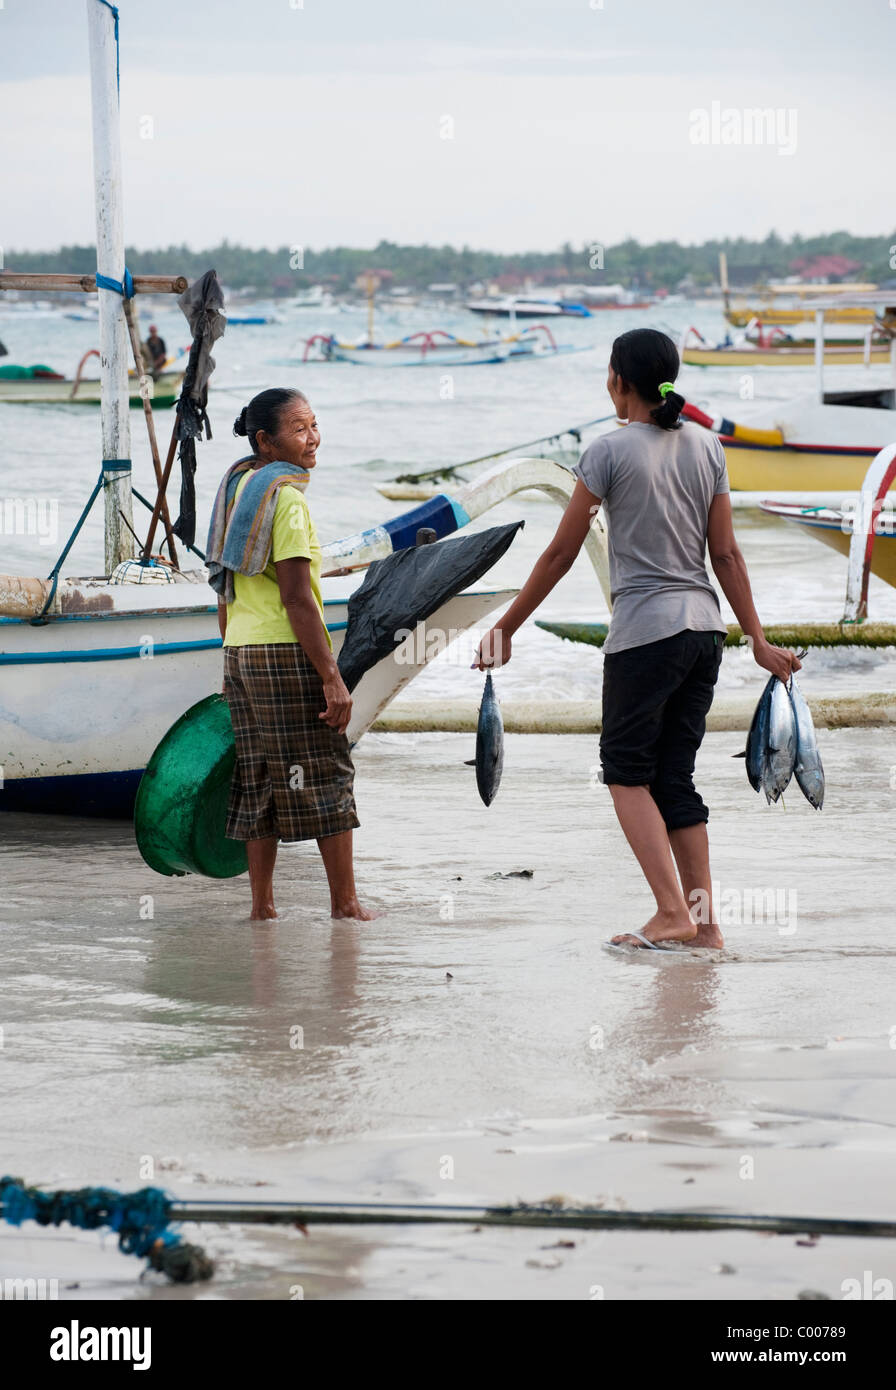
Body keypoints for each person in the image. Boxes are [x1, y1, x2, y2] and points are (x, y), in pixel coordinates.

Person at [474, 328, 800, 950]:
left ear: (621, 383)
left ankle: (671, 913)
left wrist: (506, 626)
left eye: (608, 374)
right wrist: (756, 639)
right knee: (675, 777)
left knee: (625, 773)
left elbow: (561, 553)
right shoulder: (708, 447)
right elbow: (725, 554)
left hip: (646, 637)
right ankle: (704, 926)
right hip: (704, 633)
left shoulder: (608, 451)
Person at [206, 387, 375, 922]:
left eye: (315, 424)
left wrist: (228, 657)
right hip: (284, 655)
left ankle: (263, 907)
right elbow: (298, 598)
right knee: (325, 771)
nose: (313, 438)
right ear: (265, 440)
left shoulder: (236, 490)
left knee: (256, 777)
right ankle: (345, 906)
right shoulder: (287, 499)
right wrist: (332, 675)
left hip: (242, 655)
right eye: (299, 429)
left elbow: (224, 590)